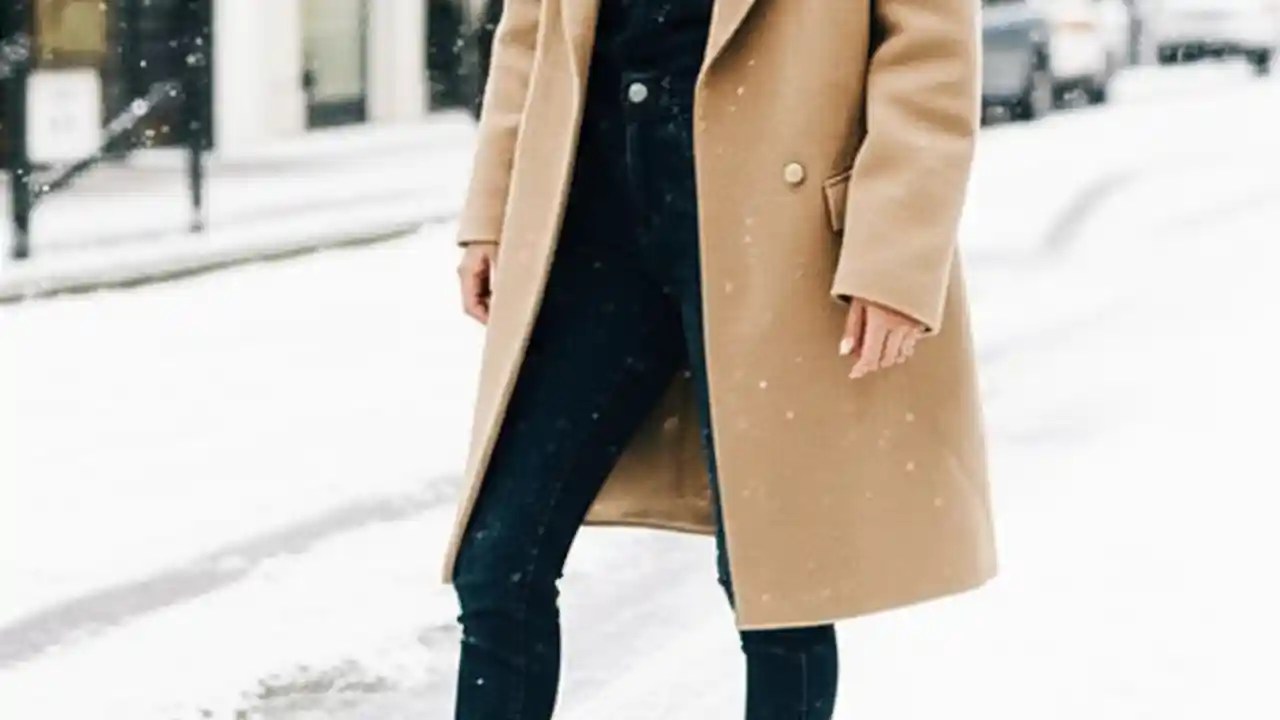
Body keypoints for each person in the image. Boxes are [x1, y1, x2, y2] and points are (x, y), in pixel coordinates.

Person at [445, 0, 997, 717]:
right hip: (593, 220)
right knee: (497, 560)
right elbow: (531, 34)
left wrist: (894, 258)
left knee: (778, 585)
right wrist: (493, 212)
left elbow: (928, 55)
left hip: (774, 228)